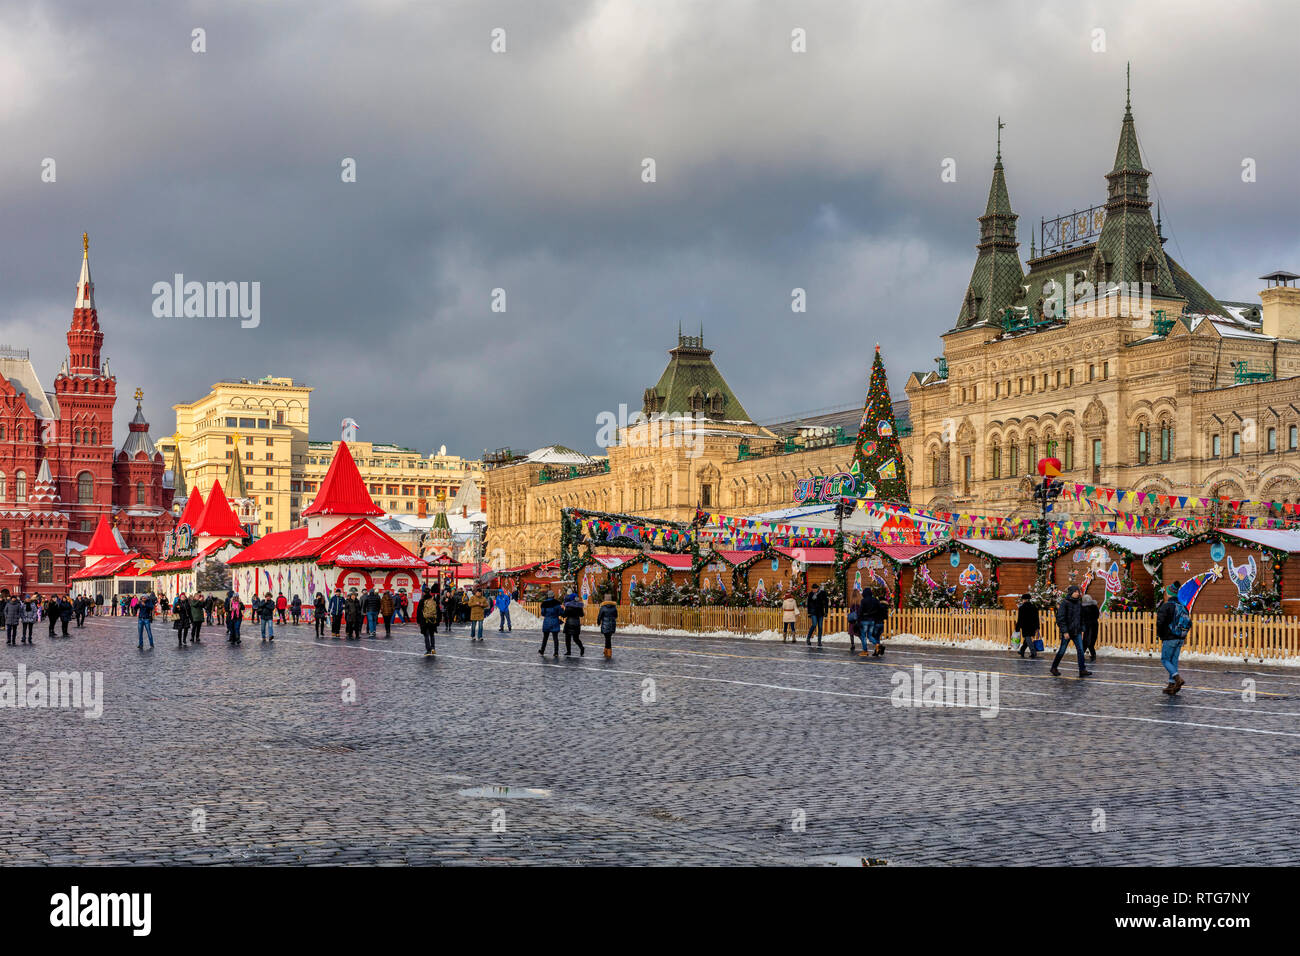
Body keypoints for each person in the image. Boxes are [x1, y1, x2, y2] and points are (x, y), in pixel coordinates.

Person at [1156, 582, 1190, 695]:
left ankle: (1177, 679)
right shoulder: (1182, 606)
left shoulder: (1166, 606)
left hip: (1169, 637)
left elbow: (1160, 622)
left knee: (1165, 660)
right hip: (1180, 637)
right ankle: (1171, 685)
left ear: (1168, 593)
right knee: (1173, 661)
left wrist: (1161, 635)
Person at [1050, 585, 1090, 677]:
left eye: (1078, 592)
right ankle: (1054, 667)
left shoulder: (1079, 603)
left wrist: (1082, 629)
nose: (1078, 593)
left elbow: (1082, 617)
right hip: (1067, 632)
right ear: (1071, 593)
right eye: (1076, 591)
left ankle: (1082, 669)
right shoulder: (1065, 603)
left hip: (1077, 631)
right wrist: (1065, 632)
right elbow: (1060, 618)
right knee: (1062, 650)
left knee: (1080, 650)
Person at [1015, 592, 1040, 659]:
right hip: (1033, 625)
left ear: (1025, 600)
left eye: (1023, 599)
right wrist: (1037, 626)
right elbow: (1036, 618)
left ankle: (1033, 652)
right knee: (1027, 639)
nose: (1022, 601)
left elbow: (1020, 618)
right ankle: (1022, 650)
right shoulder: (1034, 607)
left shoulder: (1022, 608)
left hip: (1025, 626)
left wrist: (1017, 627)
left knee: (1027, 638)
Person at [539, 592, 563, 656]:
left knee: (545, 638)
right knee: (555, 638)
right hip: (555, 621)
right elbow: (561, 612)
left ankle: (542, 650)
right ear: (553, 596)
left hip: (547, 622)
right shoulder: (557, 603)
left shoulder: (544, 604)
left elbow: (542, 613)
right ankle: (556, 652)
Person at [561, 592, 585, 656]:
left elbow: (564, 615)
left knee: (567, 638)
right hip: (576, 623)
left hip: (569, 623)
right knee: (576, 638)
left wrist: (563, 609)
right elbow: (582, 615)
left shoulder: (568, 606)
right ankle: (581, 647)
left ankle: (568, 651)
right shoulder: (579, 606)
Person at [418, 588, 439, 656]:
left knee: (426, 635)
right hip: (433, 620)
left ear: (424, 593)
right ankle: (433, 648)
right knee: (432, 634)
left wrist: (418, 621)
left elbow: (419, 611)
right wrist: (437, 620)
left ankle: (428, 650)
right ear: (430, 592)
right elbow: (438, 610)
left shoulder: (422, 600)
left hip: (424, 620)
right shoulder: (433, 600)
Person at [596, 593, 617, 659]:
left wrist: (598, 622)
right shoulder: (614, 607)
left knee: (607, 639)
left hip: (605, 625)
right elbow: (616, 616)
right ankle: (606, 651)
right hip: (612, 625)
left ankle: (608, 652)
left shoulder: (603, 608)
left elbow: (599, 616)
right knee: (608, 638)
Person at [1080, 591, 1100, 662]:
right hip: (1094, 624)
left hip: (1088, 625)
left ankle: (1081, 655)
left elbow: (1081, 617)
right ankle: (1093, 655)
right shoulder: (1095, 607)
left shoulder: (1083, 608)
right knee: (1091, 640)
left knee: (1086, 640)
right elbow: (1097, 615)